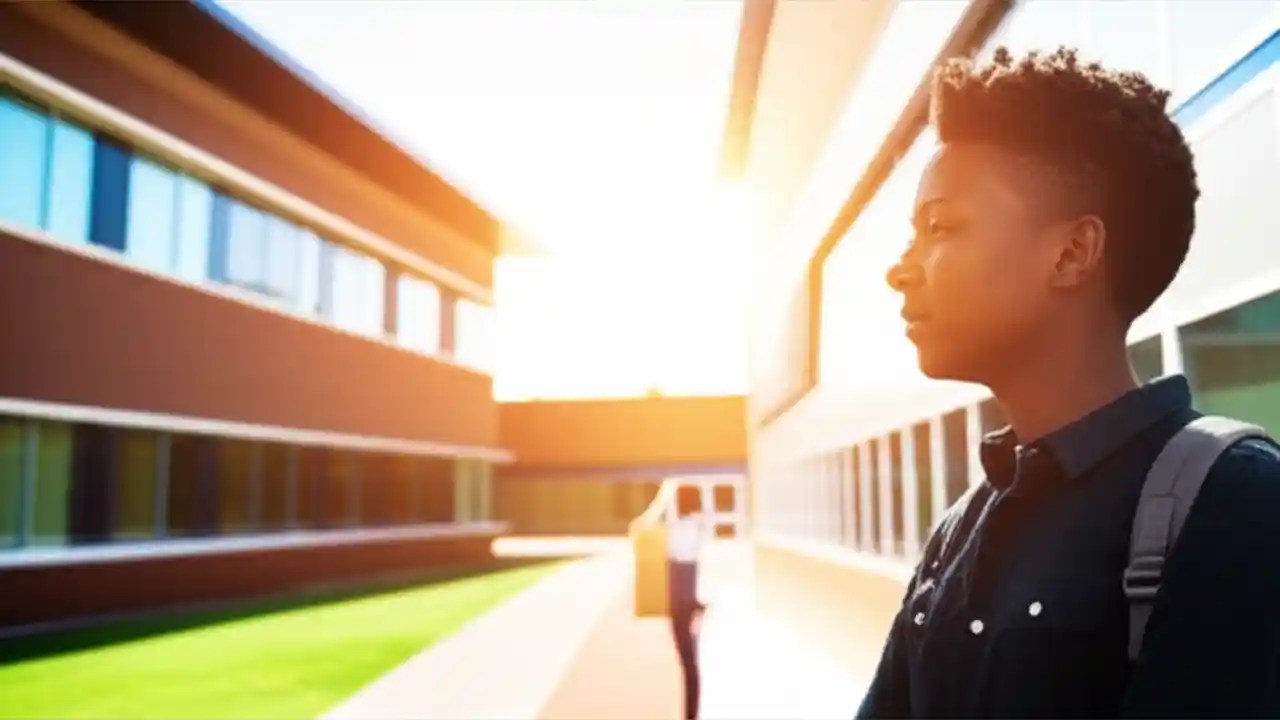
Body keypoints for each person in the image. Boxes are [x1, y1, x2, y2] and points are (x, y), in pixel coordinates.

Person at [860, 46, 1280, 718]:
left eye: (939, 227)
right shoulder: (960, 530)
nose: (899, 270)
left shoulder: (1234, 499)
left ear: (1072, 253)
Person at [667, 484, 710, 720]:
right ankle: (691, 714)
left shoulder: (680, 529)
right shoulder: (696, 528)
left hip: (681, 598)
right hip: (687, 597)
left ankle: (691, 715)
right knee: (690, 663)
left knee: (688, 662)